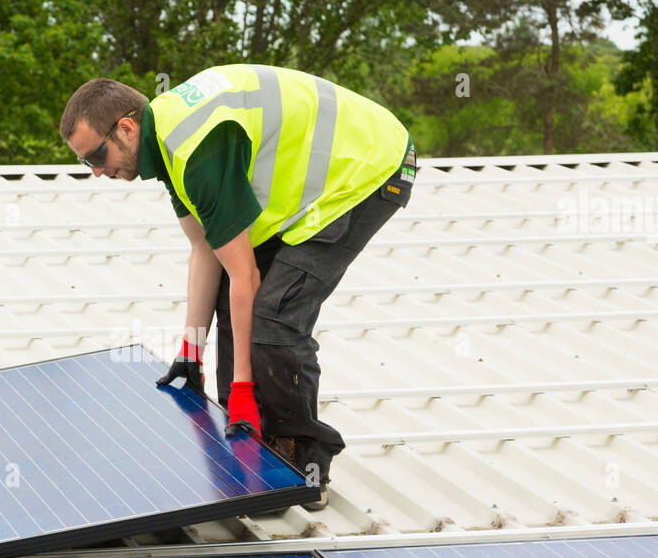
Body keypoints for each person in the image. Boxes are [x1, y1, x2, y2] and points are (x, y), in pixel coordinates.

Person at [60, 64, 416, 509]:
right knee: (238, 313)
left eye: (94, 157)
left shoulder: (198, 150)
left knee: (273, 315)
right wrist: (191, 352)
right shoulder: (169, 146)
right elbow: (205, 250)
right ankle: (254, 448)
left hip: (369, 169)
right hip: (315, 188)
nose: (95, 172)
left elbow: (244, 275)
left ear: (126, 128)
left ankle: (305, 463)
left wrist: (245, 387)